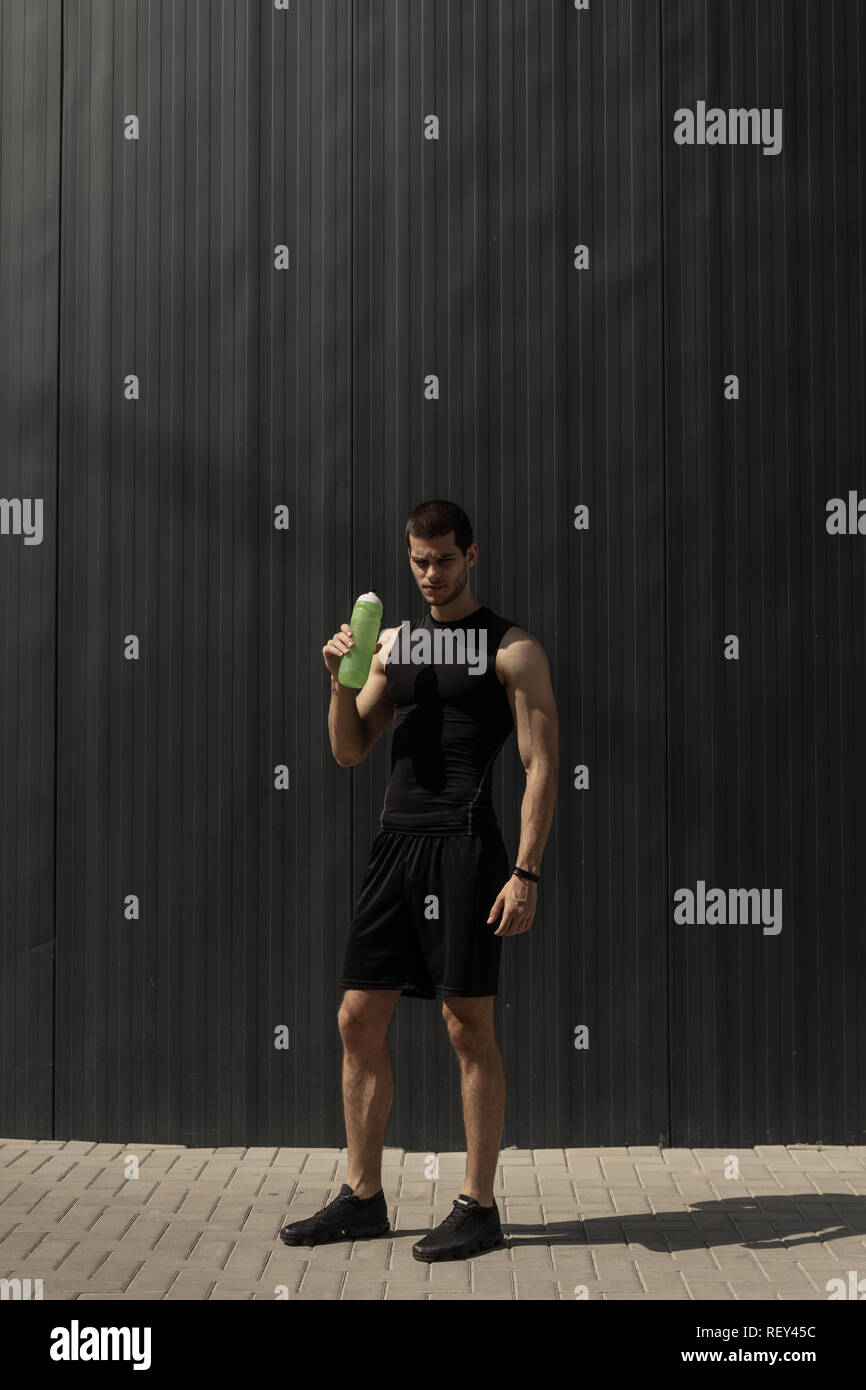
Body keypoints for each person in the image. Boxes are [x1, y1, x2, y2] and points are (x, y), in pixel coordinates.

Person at [280, 499, 558, 1261]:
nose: (430, 574)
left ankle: (478, 1206)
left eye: (443, 560)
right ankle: (363, 1198)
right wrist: (340, 682)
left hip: (465, 849)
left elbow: (541, 765)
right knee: (356, 1020)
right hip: (394, 849)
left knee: (467, 1026)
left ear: (472, 556)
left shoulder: (512, 649)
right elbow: (349, 749)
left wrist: (526, 871)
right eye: (418, 561)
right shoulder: (396, 645)